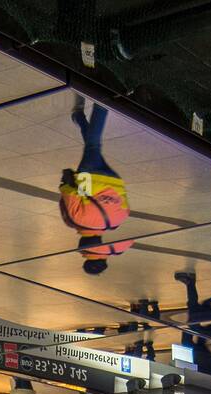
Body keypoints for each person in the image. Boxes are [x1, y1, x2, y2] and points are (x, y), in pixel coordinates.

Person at [60, 96, 135, 274]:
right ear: (81, 243)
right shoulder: (74, 220)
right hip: (89, 178)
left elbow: (125, 207)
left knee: (93, 147)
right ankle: (102, 98)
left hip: (114, 180)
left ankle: (79, 117)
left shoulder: (116, 222)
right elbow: (69, 192)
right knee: (93, 145)